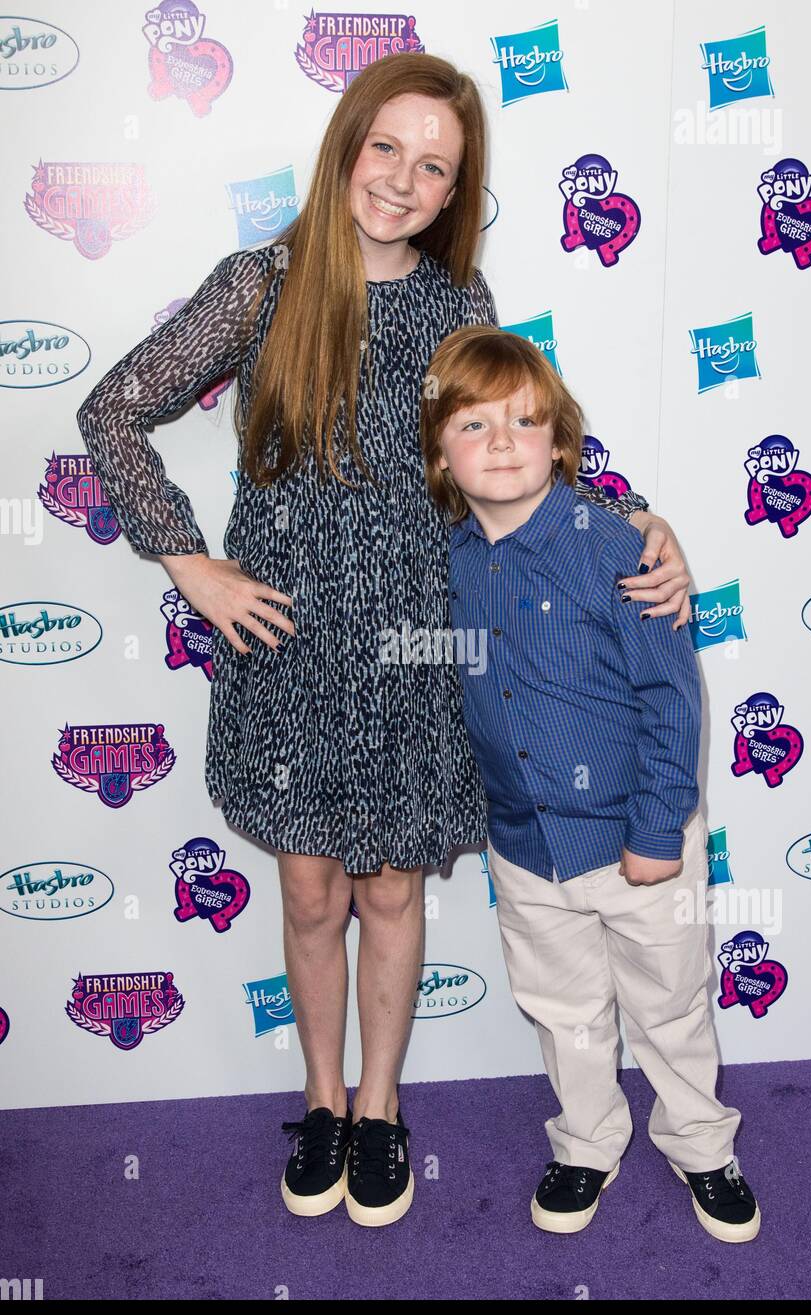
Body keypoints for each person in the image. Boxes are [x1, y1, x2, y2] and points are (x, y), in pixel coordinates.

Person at [75, 52, 693, 1229]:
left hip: (421, 644)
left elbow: (520, 439)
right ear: (348, 144)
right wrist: (188, 561)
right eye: (388, 150)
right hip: (285, 641)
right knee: (309, 892)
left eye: (436, 167)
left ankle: (378, 1107)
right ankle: (316, 1101)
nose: (404, 181)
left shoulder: (460, 308)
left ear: (457, 190)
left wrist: (638, 523)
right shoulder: (260, 284)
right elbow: (110, 408)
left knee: (393, 892)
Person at [422, 324, 761, 1243]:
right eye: (474, 425)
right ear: (441, 455)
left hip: (635, 840)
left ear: (561, 444)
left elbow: (671, 699)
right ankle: (586, 1142)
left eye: (525, 423)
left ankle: (700, 1143)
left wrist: (656, 834)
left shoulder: (619, 549)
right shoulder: (446, 564)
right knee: (563, 1008)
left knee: (670, 1002)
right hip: (526, 847)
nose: (501, 441)